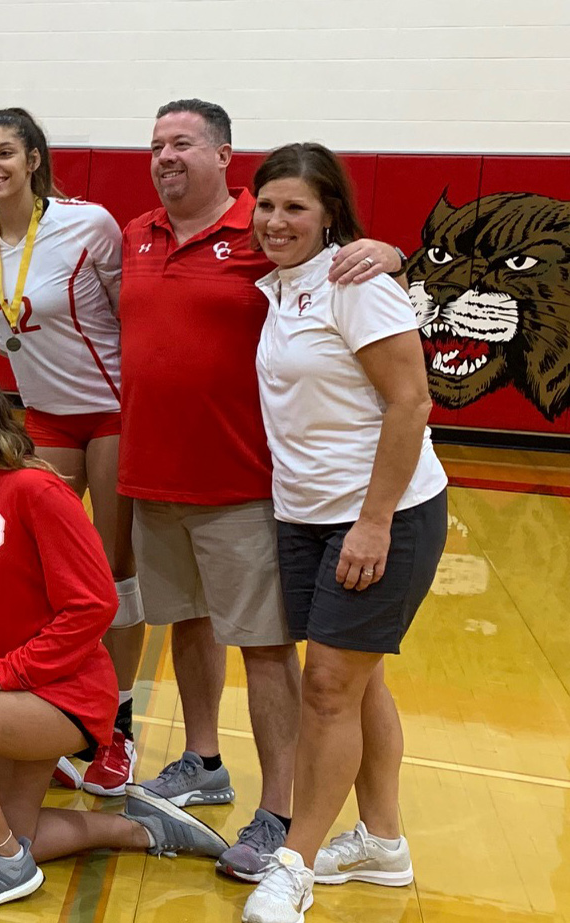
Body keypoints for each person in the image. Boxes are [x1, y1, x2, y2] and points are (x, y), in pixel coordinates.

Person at [117, 99, 406, 881]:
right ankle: (204, 759)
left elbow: (337, 264)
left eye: (183, 143)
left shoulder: (262, 232)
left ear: (223, 154)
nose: (166, 155)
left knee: (269, 651)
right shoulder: (135, 233)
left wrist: (390, 251)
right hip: (153, 473)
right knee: (187, 625)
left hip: (243, 482)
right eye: (156, 144)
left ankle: (278, 807)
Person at [0, 359, 228, 912]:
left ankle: (2, 865)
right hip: (10, 693)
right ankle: (143, 830)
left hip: (61, 694)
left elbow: (95, 603)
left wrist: (7, 671)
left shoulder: (36, 489)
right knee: (17, 832)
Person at [240, 144, 447, 923]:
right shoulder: (282, 284)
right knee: (360, 681)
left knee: (327, 686)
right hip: (306, 513)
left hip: (380, 515)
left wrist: (373, 520)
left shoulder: (355, 286)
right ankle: (383, 841)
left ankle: (293, 864)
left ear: (330, 212)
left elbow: (411, 403)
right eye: (266, 205)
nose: (276, 220)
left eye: (295, 206)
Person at [0, 107, 142, 796]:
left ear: (34, 158)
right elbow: (15, 324)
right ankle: (54, 710)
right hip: (42, 415)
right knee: (45, 574)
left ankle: (117, 728)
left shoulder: (88, 223)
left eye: (5, 152)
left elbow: (135, 315)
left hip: (114, 411)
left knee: (115, 573)